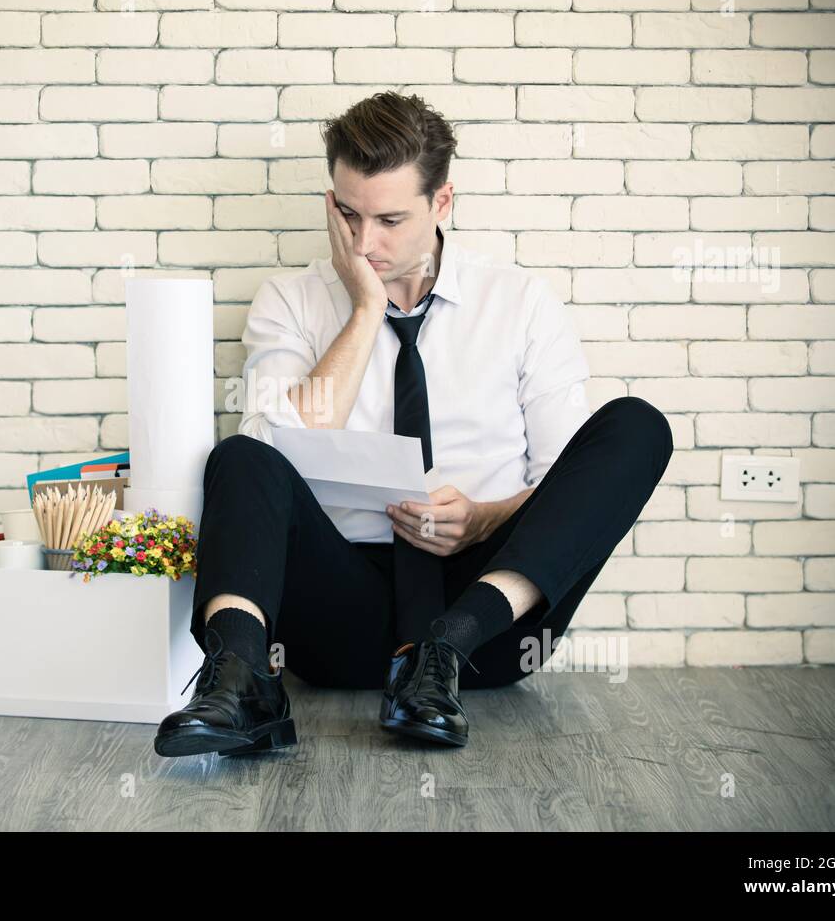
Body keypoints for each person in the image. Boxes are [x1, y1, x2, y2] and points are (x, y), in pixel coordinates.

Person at [154, 91, 673, 758]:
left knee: (636, 428)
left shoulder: (519, 303)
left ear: (443, 203)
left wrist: (485, 518)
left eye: (391, 219)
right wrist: (365, 310)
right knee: (240, 454)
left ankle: (438, 656)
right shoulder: (291, 299)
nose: (364, 243)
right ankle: (240, 681)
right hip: (340, 614)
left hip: (484, 626)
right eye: (347, 214)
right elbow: (274, 456)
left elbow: (564, 484)